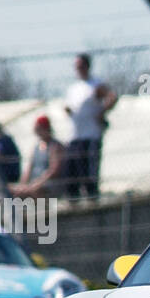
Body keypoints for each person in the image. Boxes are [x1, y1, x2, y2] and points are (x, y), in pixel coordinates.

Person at [63, 53, 117, 200]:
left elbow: (112, 96)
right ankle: (73, 202)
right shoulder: (74, 88)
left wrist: (102, 112)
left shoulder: (95, 84)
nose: (78, 69)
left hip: (90, 136)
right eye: (76, 67)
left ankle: (92, 201)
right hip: (74, 136)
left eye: (81, 66)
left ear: (87, 66)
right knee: (72, 174)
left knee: (89, 174)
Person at [12, 115, 66, 199]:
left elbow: (54, 170)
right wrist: (22, 185)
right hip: (35, 181)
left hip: (49, 183)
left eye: (39, 129)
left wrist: (39, 183)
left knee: (35, 191)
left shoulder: (55, 146)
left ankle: (42, 210)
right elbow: (29, 169)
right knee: (13, 191)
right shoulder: (36, 147)